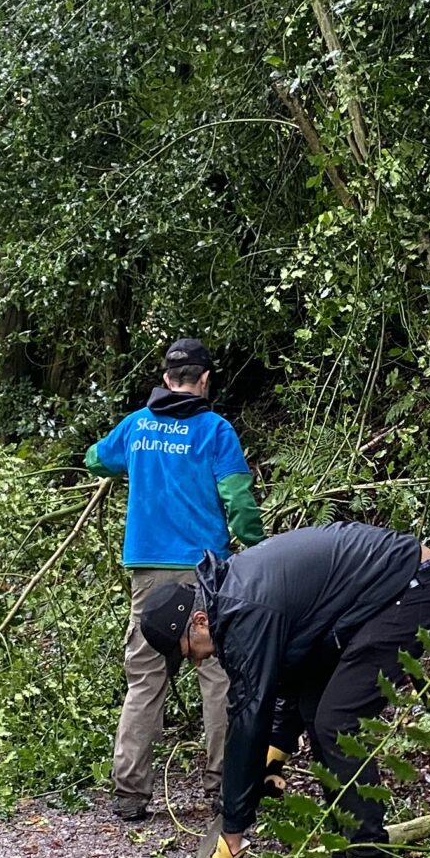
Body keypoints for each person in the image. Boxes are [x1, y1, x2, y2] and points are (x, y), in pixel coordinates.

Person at [142, 520, 430, 858]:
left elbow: (249, 714)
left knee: (336, 722)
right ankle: (350, 853)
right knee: (315, 709)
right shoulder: (232, 601)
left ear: (199, 621)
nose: (196, 660)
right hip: (375, 597)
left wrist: (232, 834)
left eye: (188, 652)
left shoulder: (243, 609)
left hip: (409, 587)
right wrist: (276, 751)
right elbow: (289, 678)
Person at [86, 338, 264, 822]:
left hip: (149, 573)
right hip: (207, 572)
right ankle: (223, 786)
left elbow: (96, 459)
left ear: (166, 379)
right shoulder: (216, 430)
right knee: (219, 677)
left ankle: (130, 792)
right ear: (205, 379)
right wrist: (256, 545)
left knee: (145, 679)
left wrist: (127, 460)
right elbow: (238, 498)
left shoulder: (136, 426)